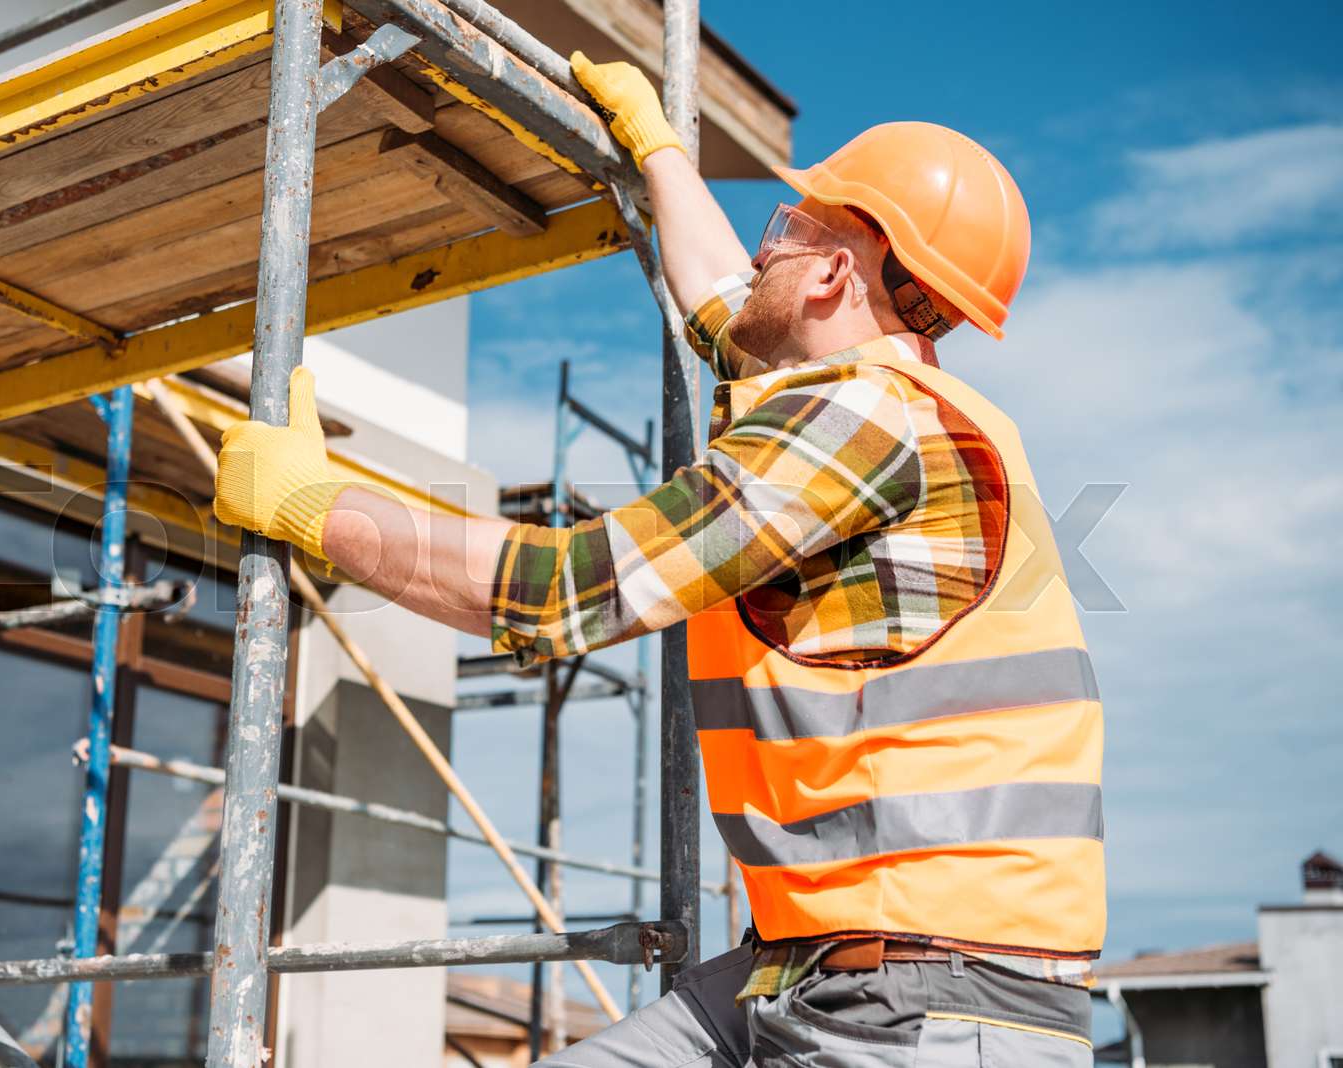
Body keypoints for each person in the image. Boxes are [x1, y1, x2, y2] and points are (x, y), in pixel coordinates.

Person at [213, 51, 1104, 1068]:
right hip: (825, 967)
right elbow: (730, 311)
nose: (761, 256)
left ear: (829, 275)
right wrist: (658, 149)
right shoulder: (895, 402)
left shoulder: (862, 417)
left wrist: (308, 505)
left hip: (926, 1007)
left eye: (785, 233)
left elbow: (558, 595)